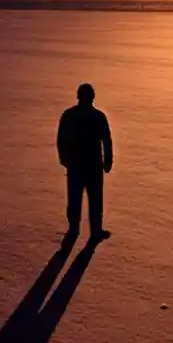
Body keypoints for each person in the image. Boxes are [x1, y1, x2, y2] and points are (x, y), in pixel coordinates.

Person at [57, 83, 113, 241]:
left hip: (76, 164)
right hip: (92, 165)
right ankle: (94, 231)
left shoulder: (69, 115)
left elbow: (61, 139)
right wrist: (108, 161)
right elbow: (107, 141)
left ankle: (74, 229)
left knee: (75, 198)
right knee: (94, 200)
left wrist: (64, 158)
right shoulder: (98, 116)